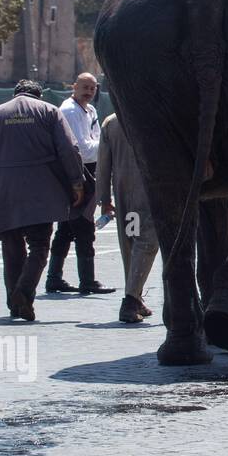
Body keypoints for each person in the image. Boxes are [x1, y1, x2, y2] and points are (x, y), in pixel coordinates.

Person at [0, 80, 86, 321]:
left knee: (11, 247)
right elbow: (69, 149)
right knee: (40, 246)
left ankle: (15, 302)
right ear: (38, 95)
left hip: (5, 189)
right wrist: (77, 182)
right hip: (42, 189)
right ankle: (24, 293)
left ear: (15, 93)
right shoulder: (49, 112)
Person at [46, 73, 116, 295]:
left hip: (88, 171)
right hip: (76, 174)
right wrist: (105, 145)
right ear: (74, 87)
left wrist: (99, 145)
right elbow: (83, 149)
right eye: (85, 87)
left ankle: (54, 278)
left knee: (66, 228)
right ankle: (87, 280)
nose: (89, 91)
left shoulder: (90, 110)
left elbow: (92, 142)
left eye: (93, 88)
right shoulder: (70, 110)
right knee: (84, 228)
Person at [96, 113, 158, 324]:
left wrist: (104, 198)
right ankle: (131, 300)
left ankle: (135, 296)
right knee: (147, 242)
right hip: (149, 190)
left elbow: (103, 165)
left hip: (124, 194)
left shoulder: (111, 122)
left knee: (131, 242)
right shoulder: (153, 116)